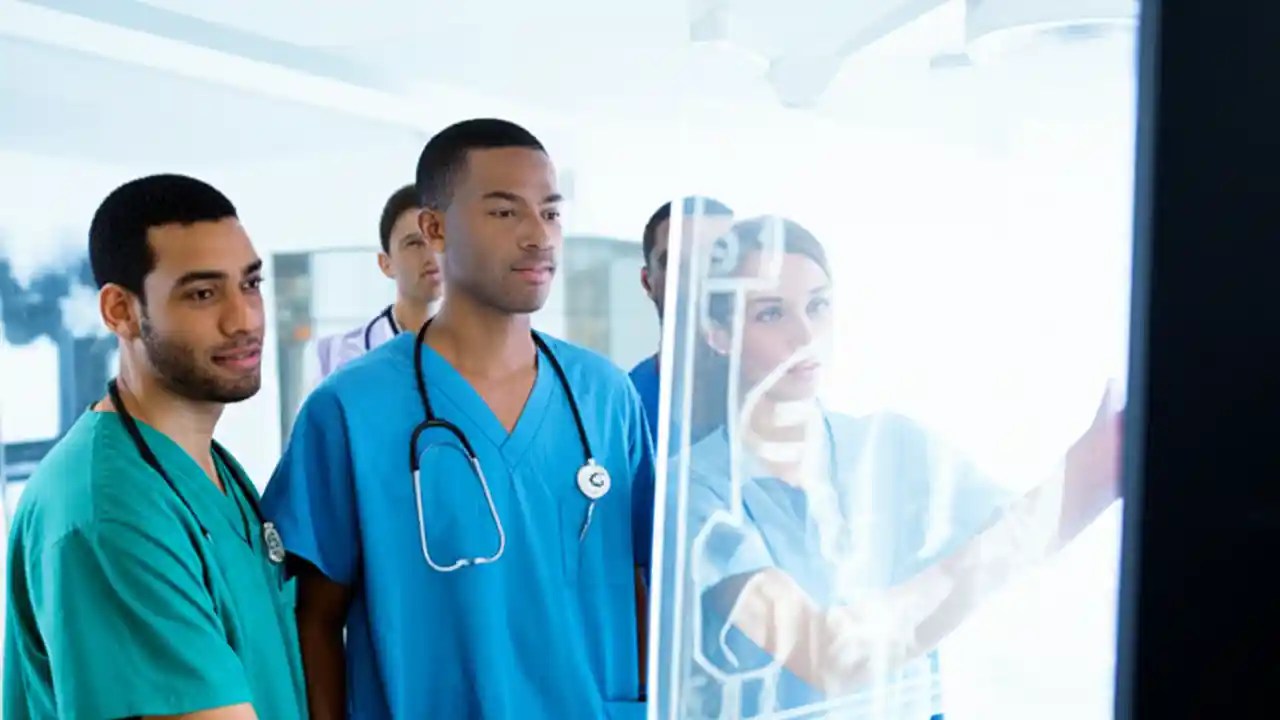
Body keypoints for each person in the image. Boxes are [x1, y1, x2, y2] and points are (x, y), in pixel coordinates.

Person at [261, 118, 654, 720]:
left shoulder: (605, 395)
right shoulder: (350, 410)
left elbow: (640, 580)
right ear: (435, 228)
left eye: (550, 213)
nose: (538, 236)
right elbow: (314, 617)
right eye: (504, 212)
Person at [657, 216, 1122, 719]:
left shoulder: (894, 446)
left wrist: (1097, 471)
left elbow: (1032, 537)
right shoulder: (695, 490)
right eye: (771, 314)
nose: (804, 335)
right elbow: (829, 656)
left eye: (817, 306)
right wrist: (1081, 480)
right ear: (719, 335)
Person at [3, 174, 306, 720]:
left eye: (250, 284)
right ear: (120, 310)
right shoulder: (110, 509)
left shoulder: (209, 470)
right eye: (202, 294)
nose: (244, 319)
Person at [309, 183, 443, 380]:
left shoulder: (483, 350)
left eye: (438, 238)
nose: (432, 256)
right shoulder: (344, 357)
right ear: (386, 264)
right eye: (414, 243)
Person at [630, 196, 734, 446]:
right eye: (676, 264)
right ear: (647, 281)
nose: (699, 277)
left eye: (717, 260)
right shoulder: (622, 409)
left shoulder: (787, 402)